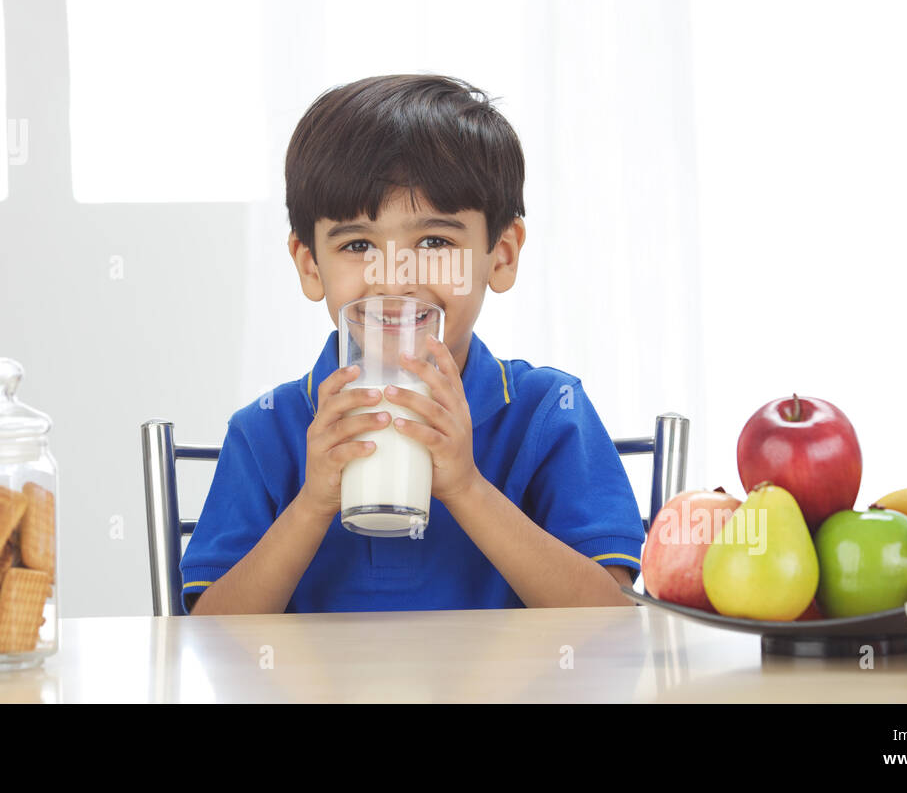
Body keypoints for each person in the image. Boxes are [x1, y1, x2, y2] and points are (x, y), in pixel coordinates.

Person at [181, 74, 644, 614]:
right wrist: (311, 505)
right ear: (310, 265)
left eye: (433, 242)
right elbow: (208, 636)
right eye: (357, 244)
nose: (394, 279)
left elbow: (612, 617)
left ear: (501, 255)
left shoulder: (548, 412)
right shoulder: (266, 430)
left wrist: (468, 488)